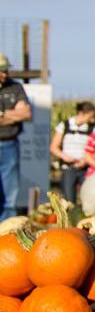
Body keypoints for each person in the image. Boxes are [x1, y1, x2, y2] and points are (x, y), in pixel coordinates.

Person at [0, 53, 33, 220]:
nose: (4, 74)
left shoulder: (15, 87)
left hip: (9, 144)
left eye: (6, 70)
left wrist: (2, 115)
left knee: (9, 192)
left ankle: (5, 233)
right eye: (1, 71)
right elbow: (19, 113)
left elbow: (26, 113)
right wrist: (14, 115)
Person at [51, 101, 95, 203]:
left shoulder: (93, 128)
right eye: (89, 116)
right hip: (68, 168)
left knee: (88, 199)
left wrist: (85, 160)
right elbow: (54, 147)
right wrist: (65, 157)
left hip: (86, 168)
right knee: (68, 200)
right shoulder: (65, 125)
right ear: (81, 113)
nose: (91, 119)